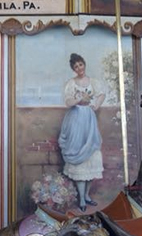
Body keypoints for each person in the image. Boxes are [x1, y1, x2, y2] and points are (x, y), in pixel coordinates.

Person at [58, 53, 105, 210]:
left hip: (89, 120)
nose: (79, 68)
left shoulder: (94, 82)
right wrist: (80, 99)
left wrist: (95, 104)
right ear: (73, 69)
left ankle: (86, 195)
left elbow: (101, 95)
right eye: (76, 66)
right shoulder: (71, 83)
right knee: (79, 157)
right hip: (76, 120)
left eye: (81, 64)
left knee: (92, 155)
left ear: (84, 64)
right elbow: (68, 102)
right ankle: (82, 201)